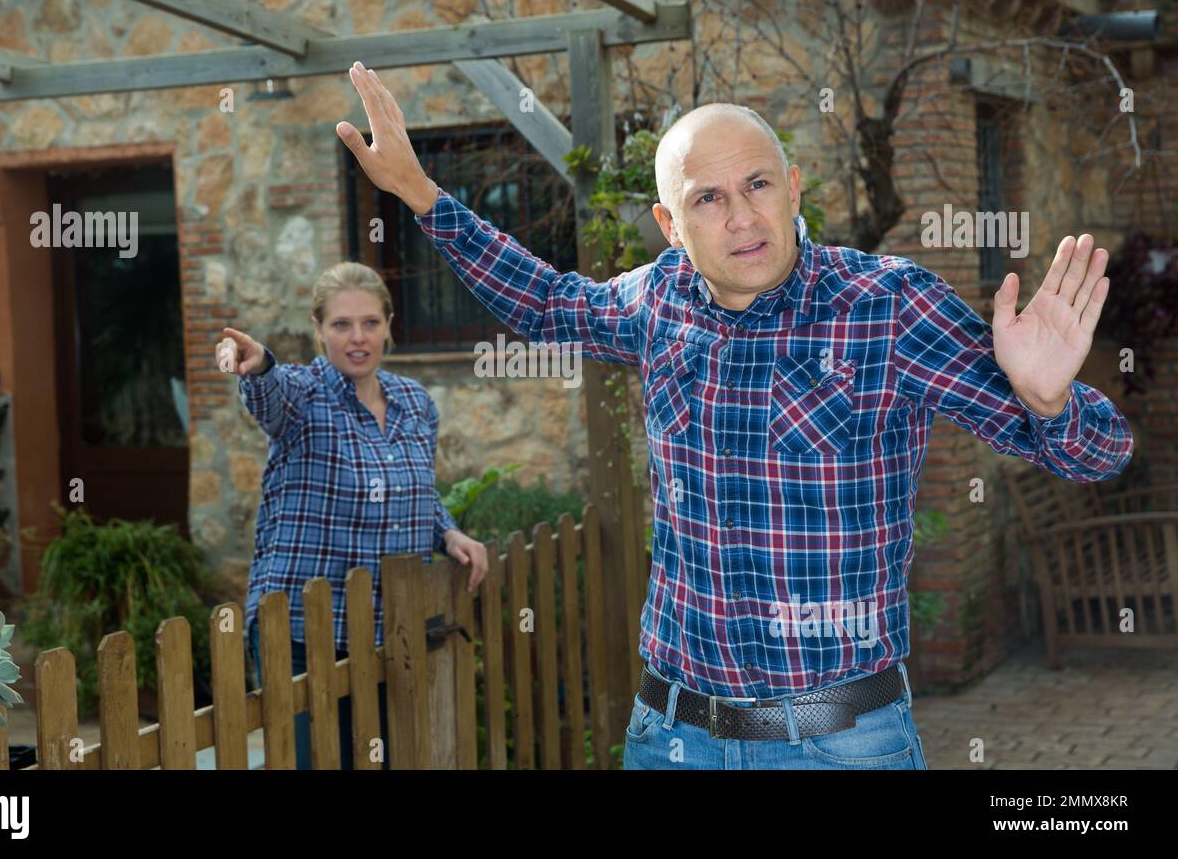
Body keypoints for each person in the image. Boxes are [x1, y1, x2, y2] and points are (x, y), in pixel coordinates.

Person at [335, 59, 1133, 769]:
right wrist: (418, 191)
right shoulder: (658, 301)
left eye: (756, 184)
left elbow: (1099, 455)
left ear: (792, 185)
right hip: (672, 733)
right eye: (707, 198)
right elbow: (548, 302)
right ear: (670, 227)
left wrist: (1048, 398)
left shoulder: (886, 309)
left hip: (838, 741)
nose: (742, 218)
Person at [216, 261, 489, 769]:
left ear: (389, 325)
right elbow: (270, 397)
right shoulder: (302, 394)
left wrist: (448, 532)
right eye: (341, 324)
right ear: (318, 329)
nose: (357, 337)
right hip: (299, 628)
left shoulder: (415, 403)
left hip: (386, 628)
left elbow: (419, 494)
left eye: (370, 322)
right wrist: (257, 365)